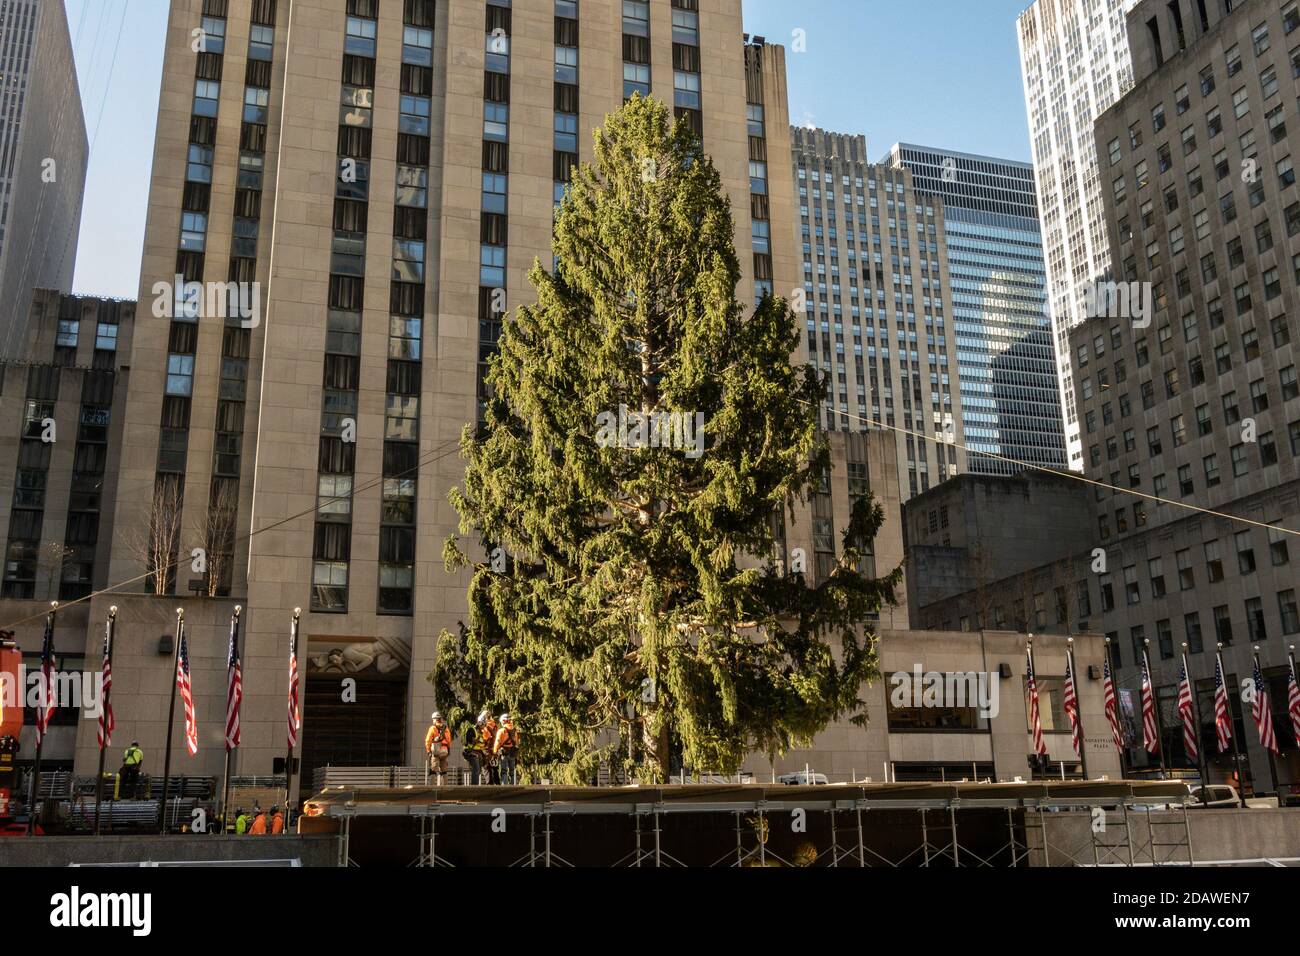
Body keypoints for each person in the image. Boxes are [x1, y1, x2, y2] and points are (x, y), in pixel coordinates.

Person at [464, 711, 491, 785]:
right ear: (480, 723)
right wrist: (478, 740)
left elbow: (481, 744)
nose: (484, 727)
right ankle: (474, 785)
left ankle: (485, 783)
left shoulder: (481, 732)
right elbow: (470, 741)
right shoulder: (472, 730)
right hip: (472, 752)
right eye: (483, 725)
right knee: (476, 769)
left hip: (479, 752)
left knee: (480, 769)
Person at [425, 711, 451, 785]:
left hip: (436, 751)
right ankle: (445, 787)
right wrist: (448, 749)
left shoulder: (432, 728)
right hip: (444, 751)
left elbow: (428, 740)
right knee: (444, 770)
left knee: (433, 770)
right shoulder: (445, 728)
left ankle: (431, 787)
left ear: (435, 719)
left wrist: (428, 751)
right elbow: (449, 740)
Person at [493, 713, 520, 785]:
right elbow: (517, 742)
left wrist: (495, 752)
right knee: (512, 771)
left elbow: (497, 743)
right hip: (512, 753)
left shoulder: (501, 731)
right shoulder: (515, 730)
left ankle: (504, 786)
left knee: (504, 771)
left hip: (504, 753)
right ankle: (513, 786)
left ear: (503, 721)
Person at [481, 712, 500, 785]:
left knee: (486, 767)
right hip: (494, 749)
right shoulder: (495, 725)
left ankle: (489, 784)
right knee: (494, 767)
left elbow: (485, 738)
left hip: (487, 749)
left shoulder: (485, 727)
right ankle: (497, 784)